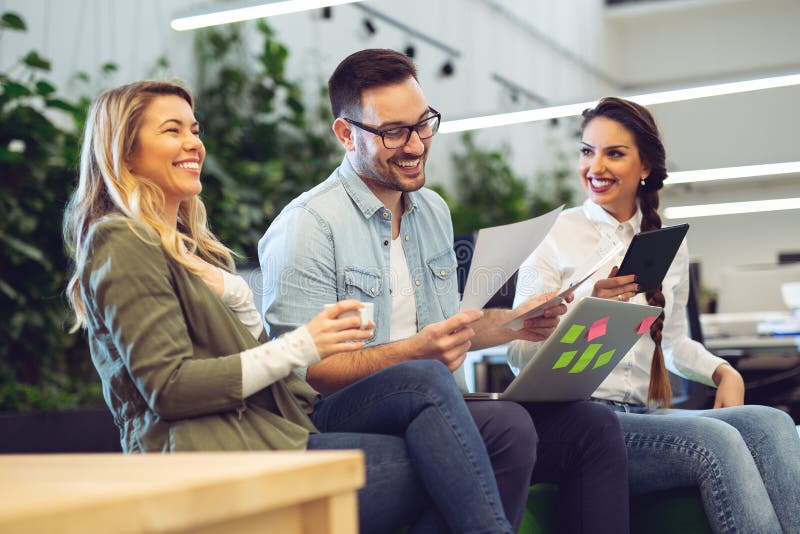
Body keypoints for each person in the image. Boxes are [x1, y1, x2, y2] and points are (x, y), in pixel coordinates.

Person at [63, 80, 520, 534]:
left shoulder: (189, 251)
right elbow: (170, 387)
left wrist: (265, 322)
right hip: (204, 458)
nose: (193, 144)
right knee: (442, 464)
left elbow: (258, 380)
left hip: (266, 433)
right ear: (124, 152)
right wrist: (303, 344)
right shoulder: (119, 240)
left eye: (195, 129)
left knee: (435, 405)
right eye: (172, 130)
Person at [259, 49, 629, 533]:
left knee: (591, 427)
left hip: (438, 405)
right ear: (346, 134)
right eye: (393, 132)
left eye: (423, 124)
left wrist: (516, 322)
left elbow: (448, 329)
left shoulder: (431, 211)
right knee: (455, 393)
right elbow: (310, 372)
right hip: (338, 411)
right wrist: (417, 352)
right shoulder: (308, 225)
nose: (415, 144)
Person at [508, 96, 800, 534]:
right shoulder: (553, 236)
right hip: (581, 422)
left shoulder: (666, 243)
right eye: (587, 151)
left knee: (773, 424)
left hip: (644, 416)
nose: (595, 166)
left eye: (614, 153)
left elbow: (675, 341)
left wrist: (724, 373)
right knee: (717, 441)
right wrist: (589, 308)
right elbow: (517, 352)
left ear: (645, 167)